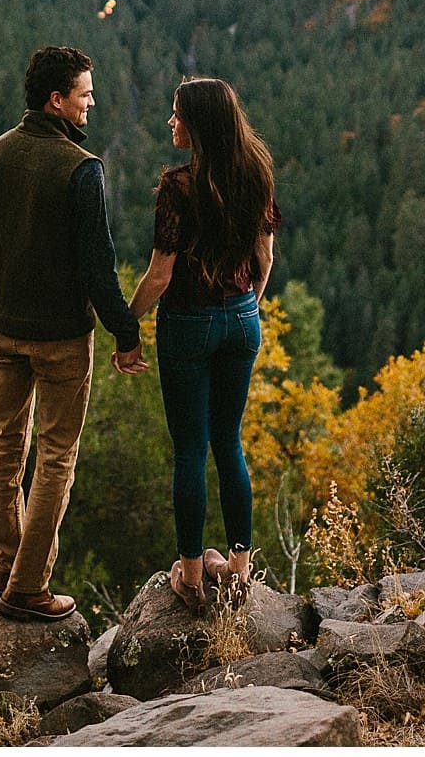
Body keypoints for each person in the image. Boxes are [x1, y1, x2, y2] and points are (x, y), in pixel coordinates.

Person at [0, 45, 147, 621]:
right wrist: (126, 332)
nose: (91, 103)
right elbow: (99, 268)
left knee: (4, 440)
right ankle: (28, 587)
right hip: (62, 341)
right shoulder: (81, 169)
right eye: (84, 94)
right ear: (57, 100)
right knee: (55, 457)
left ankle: (1, 569)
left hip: (4, 330)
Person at [127, 77, 279, 611]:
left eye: (177, 115)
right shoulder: (256, 173)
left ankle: (190, 576)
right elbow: (265, 257)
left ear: (198, 124)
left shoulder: (178, 187)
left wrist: (126, 324)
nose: (171, 122)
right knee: (229, 444)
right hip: (242, 322)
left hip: (189, 326)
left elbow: (160, 275)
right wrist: (248, 306)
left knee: (190, 451)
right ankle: (239, 572)